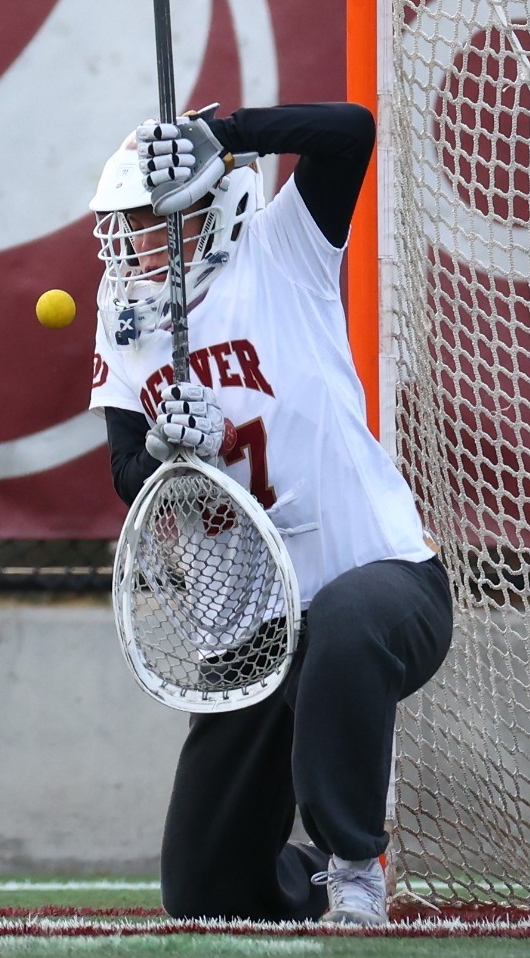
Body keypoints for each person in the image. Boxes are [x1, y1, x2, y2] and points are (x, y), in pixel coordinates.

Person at [87, 101, 451, 924]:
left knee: (344, 621)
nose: (141, 245)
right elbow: (124, 472)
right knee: (205, 893)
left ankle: (353, 863)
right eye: (130, 226)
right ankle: (302, 882)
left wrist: (228, 133)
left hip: (380, 580)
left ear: (212, 209)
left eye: (155, 222)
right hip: (249, 634)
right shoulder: (127, 318)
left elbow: (350, 131)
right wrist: (171, 456)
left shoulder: (283, 251)